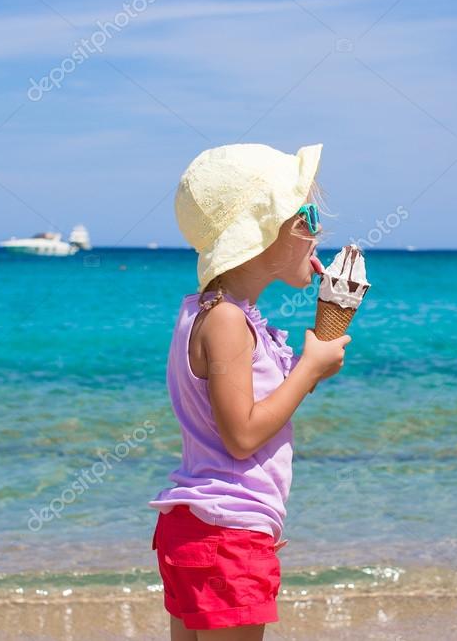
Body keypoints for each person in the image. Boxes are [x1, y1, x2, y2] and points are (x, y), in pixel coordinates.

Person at [150, 143, 351, 640]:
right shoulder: (226, 321)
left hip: (201, 528)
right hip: (226, 534)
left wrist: (310, 368)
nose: (319, 231)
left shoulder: (209, 312)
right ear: (263, 233)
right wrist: (307, 370)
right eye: (306, 215)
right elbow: (241, 434)